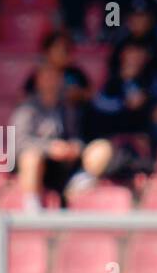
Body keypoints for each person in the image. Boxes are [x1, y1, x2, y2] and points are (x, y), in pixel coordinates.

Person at [12, 64, 113, 209]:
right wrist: (50, 148)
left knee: (102, 148)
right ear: (38, 81)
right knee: (30, 157)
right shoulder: (26, 109)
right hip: (42, 169)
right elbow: (19, 142)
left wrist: (74, 147)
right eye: (47, 77)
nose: (51, 81)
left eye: (55, 77)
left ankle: (78, 187)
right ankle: (33, 206)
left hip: (67, 165)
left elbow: (78, 136)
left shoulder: (69, 107)